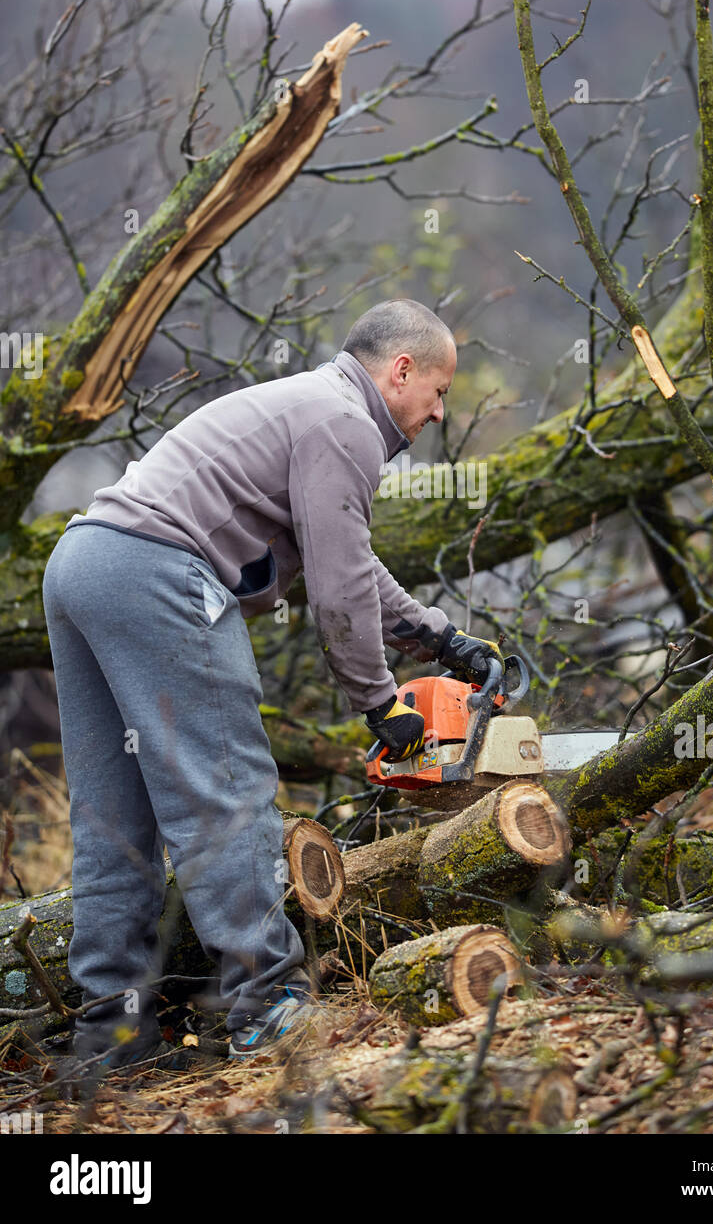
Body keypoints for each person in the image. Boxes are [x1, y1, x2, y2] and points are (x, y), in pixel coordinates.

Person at [42, 299, 503, 1065]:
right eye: (440, 391)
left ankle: (109, 1036)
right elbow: (338, 589)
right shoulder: (344, 423)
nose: (438, 412)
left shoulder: (311, 409)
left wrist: (440, 637)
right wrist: (378, 701)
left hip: (84, 564)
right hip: (160, 573)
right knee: (226, 789)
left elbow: (347, 565)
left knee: (111, 816)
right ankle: (265, 1008)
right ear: (401, 370)